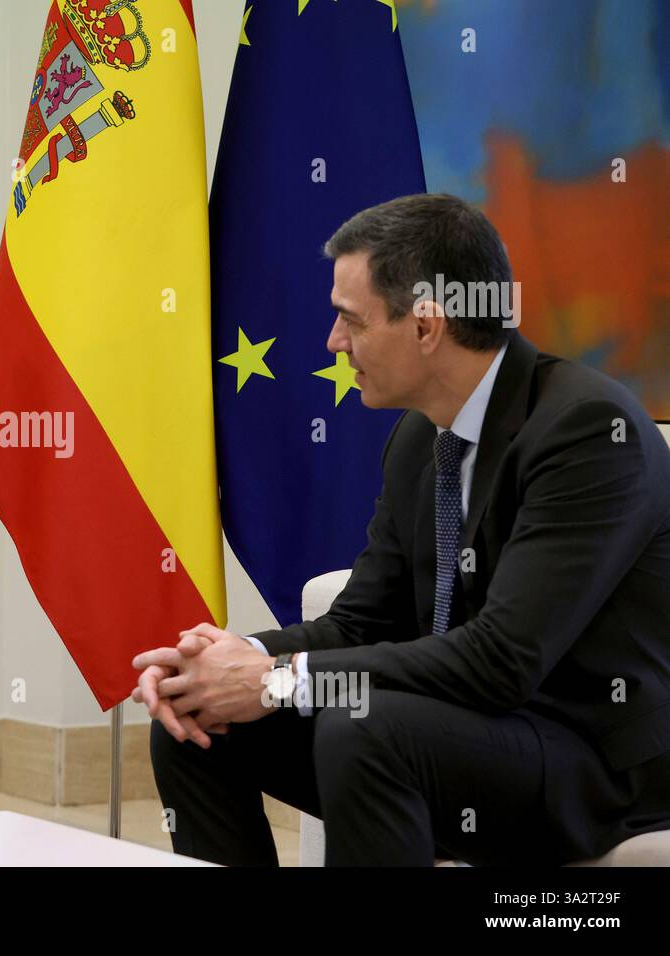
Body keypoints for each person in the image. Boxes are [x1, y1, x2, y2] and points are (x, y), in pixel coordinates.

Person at [136, 194, 670, 866]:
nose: (333, 343)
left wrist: (274, 679)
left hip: (588, 760)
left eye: (349, 321)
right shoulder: (421, 438)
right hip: (460, 730)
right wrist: (228, 661)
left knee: (365, 728)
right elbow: (363, 623)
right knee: (196, 721)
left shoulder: (588, 432)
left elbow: (498, 663)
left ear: (425, 326)